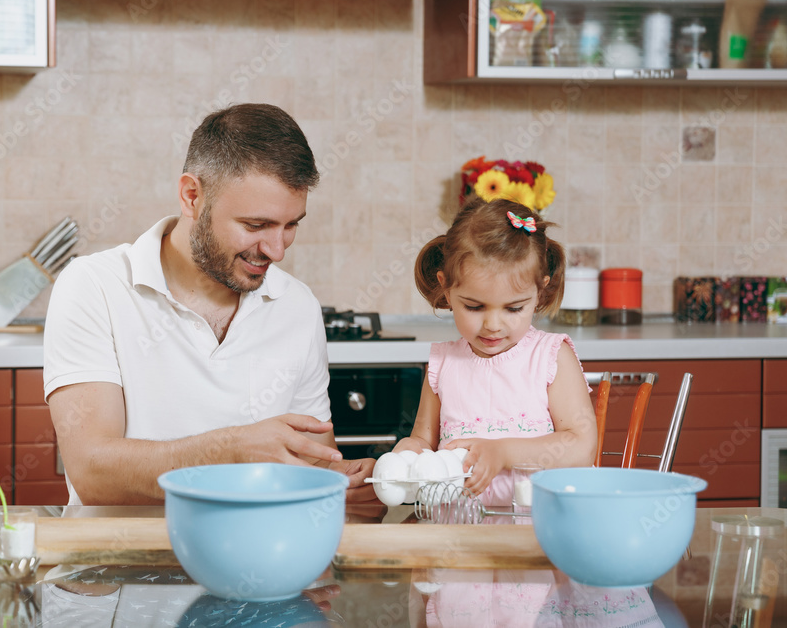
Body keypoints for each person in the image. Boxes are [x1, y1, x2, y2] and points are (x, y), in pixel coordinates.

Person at [43, 103, 375, 506]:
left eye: (291, 226)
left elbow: (310, 467)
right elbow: (92, 472)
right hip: (119, 561)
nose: (276, 250)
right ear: (191, 196)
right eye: (256, 226)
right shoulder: (94, 286)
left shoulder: (297, 306)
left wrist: (351, 488)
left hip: (253, 559)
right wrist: (230, 451)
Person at [393, 197, 597, 506]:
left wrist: (503, 453)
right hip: (457, 530)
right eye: (474, 306)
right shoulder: (443, 362)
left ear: (539, 293)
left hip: (532, 531)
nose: (492, 325)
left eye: (514, 308)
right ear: (446, 289)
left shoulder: (550, 357)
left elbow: (581, 446)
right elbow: (424, 440)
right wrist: (408, 452)